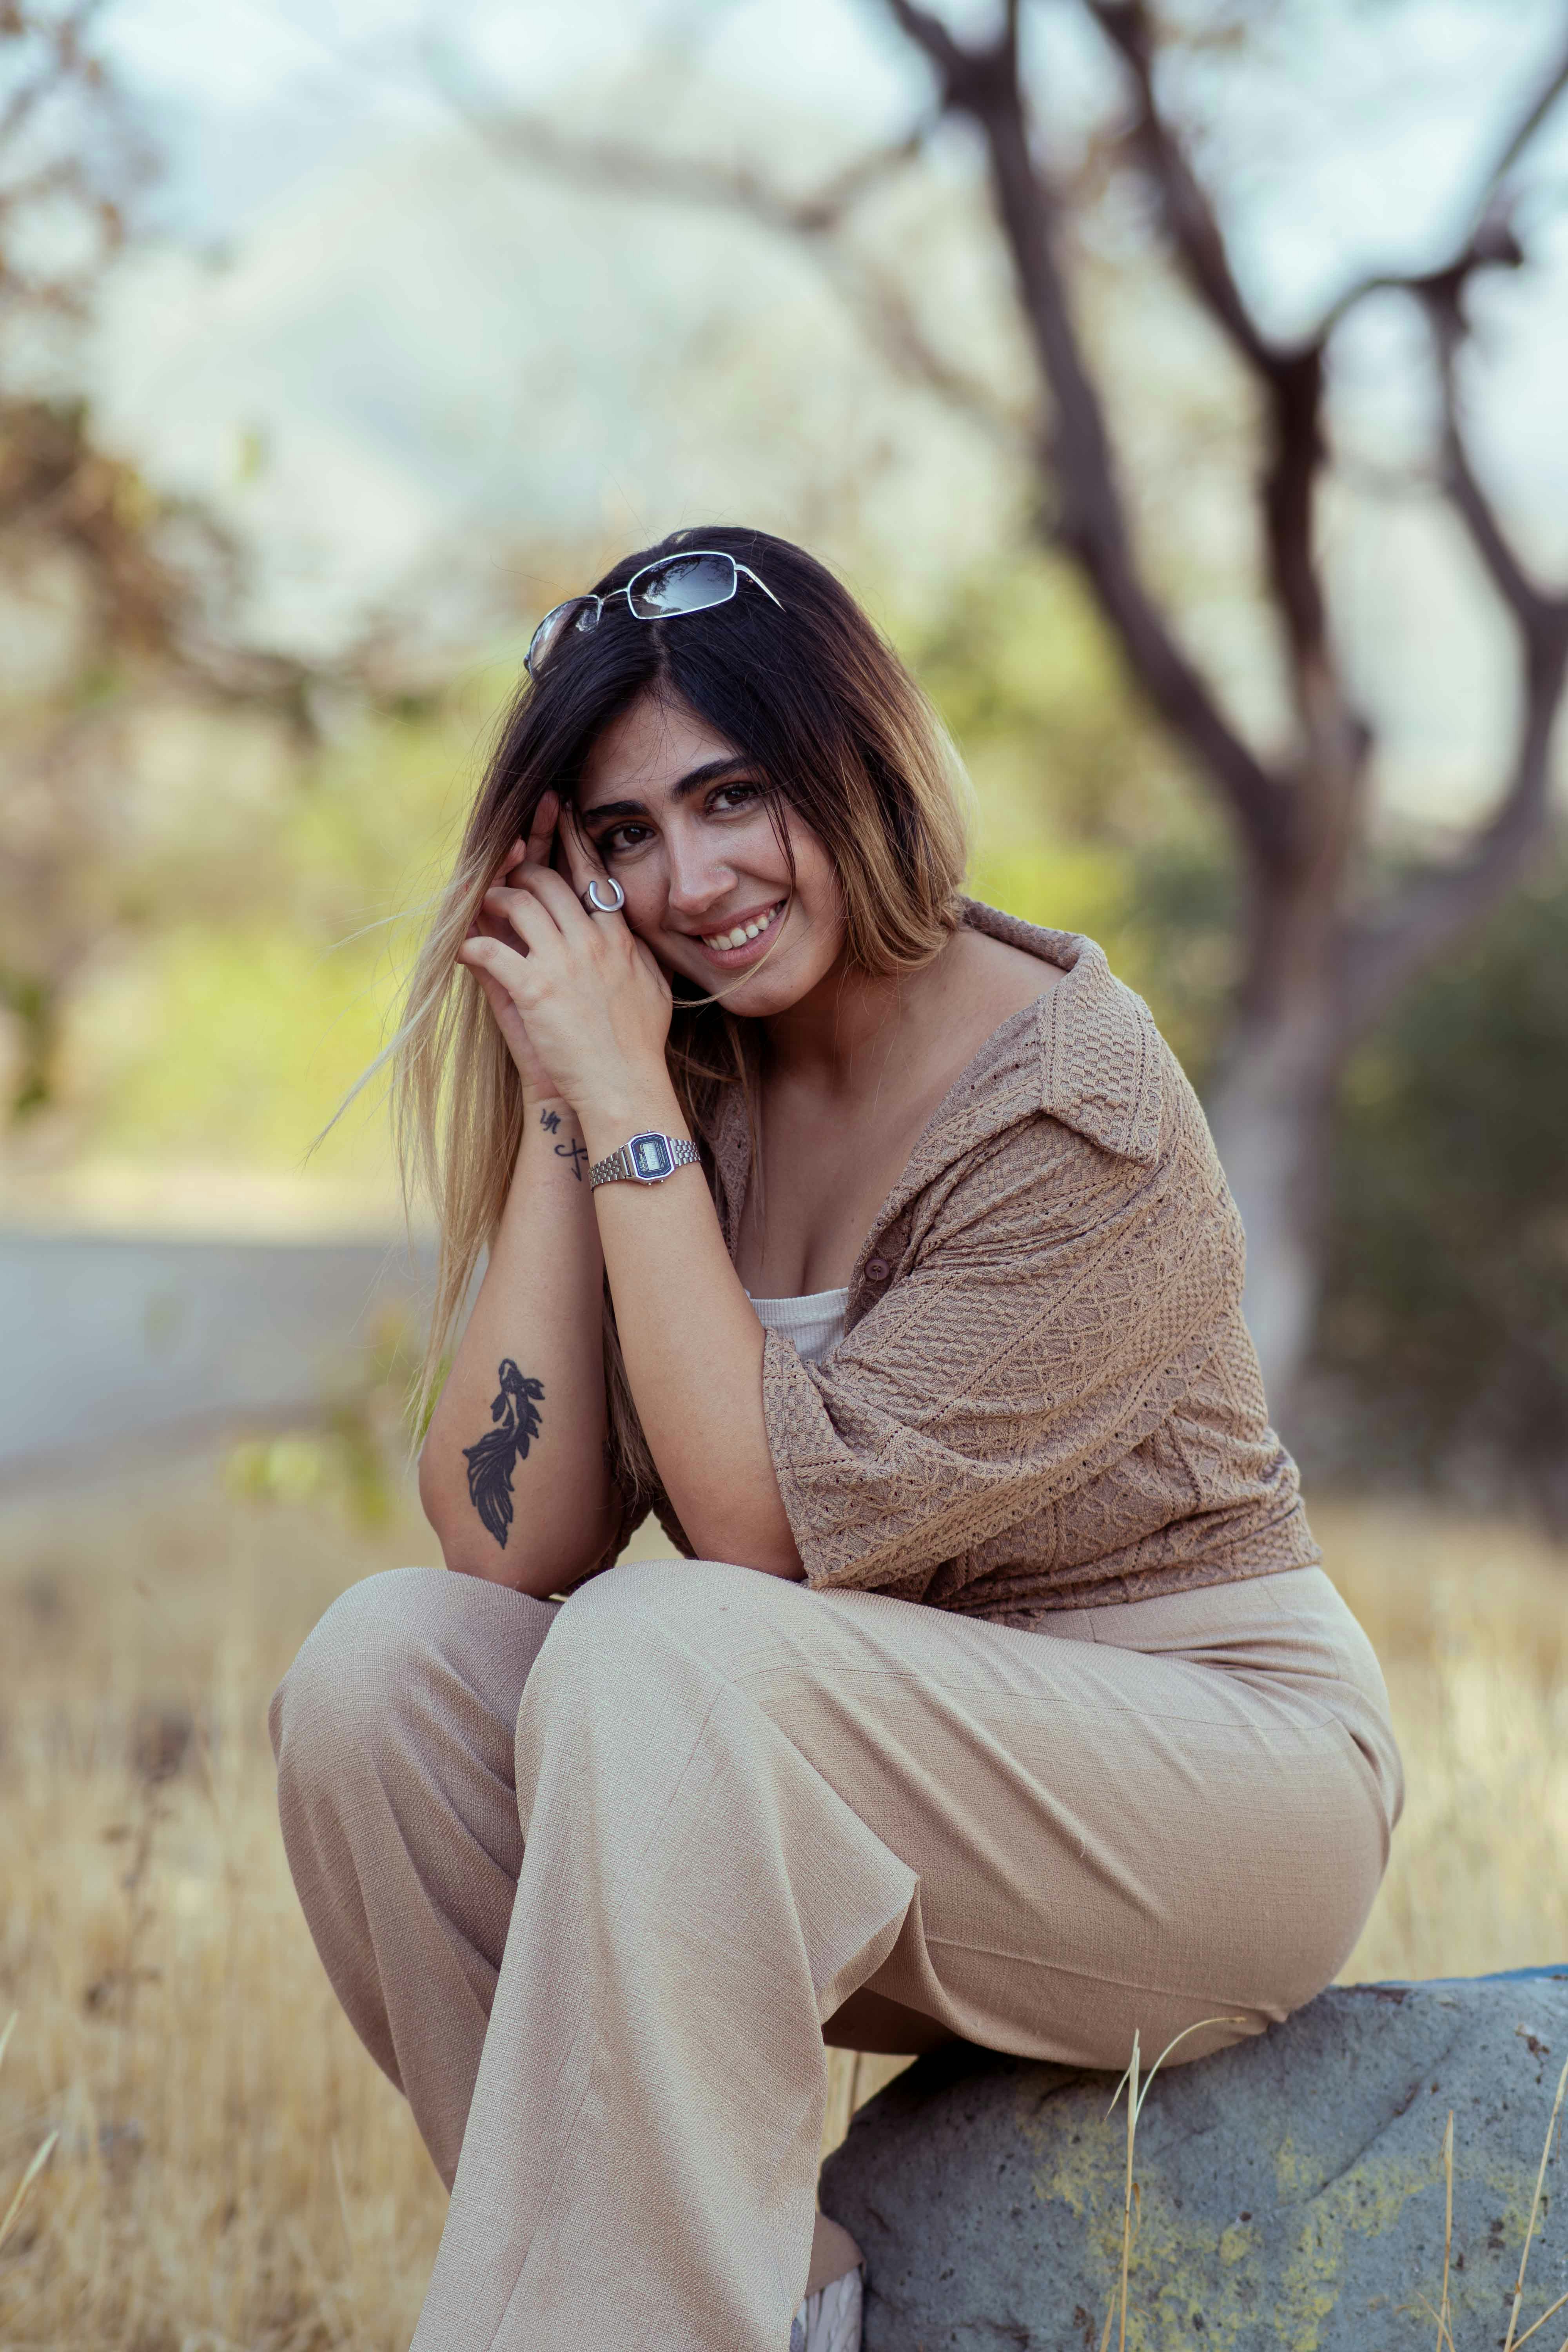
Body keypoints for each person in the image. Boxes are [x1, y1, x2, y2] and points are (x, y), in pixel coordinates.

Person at [269, 526, 1403, 2352]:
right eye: (623, 836)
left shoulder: (1073, 1104)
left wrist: (623, 1089)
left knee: (669, 1645)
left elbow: (757, 1540)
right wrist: (581, 1100)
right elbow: (508, 1537)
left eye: (733, 797)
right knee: (377, 1674)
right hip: (850, 1746)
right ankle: (774, 2301)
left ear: (853, 764)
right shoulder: (688, 1077)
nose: (691, 879)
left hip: (1209, 1774)